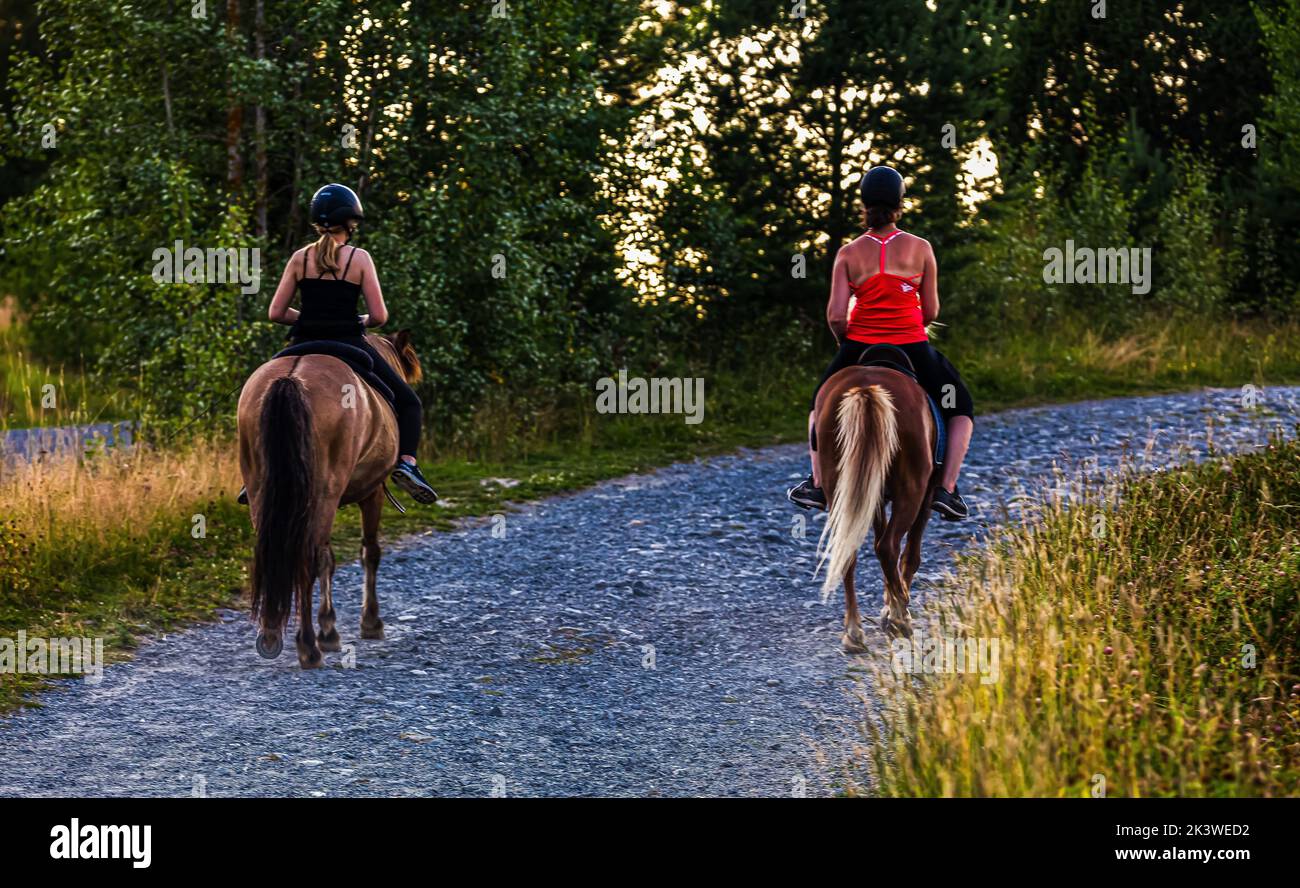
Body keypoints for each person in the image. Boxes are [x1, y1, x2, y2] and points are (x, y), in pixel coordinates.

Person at [787, 166, 973, 519]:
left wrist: (848, 347)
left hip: (858, 344)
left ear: (864, 204)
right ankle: (946, 490)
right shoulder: (921, 248)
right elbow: (931, 309)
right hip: (913, 346)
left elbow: (837, 316)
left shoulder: (847, 253)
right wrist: (907, 327)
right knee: (960, 405)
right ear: (900, 203)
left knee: (818, 405)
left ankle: (818, 483)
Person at [240, 183, 437, 505]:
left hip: (301, 345)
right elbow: (379, 316)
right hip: (348, 344)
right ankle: (408, 465)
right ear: (351, 222)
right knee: (409, 402)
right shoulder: (359, 259)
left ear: (317, 221)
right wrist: (357, 321)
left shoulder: (299, 258)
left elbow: (275, 312)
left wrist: (307, 320)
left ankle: (258, 475)